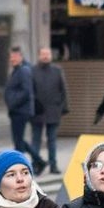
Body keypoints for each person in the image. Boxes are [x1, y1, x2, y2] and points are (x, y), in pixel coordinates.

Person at [31, 47, 69, 175]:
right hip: (37, 111)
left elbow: (63, 90)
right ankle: (36, 165)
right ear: (39, 56)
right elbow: (29, 92)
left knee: (52, 140)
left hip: (53, 111)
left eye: (47, 54)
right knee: (36, 140)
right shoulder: (32, 71)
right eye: (43, 54)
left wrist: (63, 108)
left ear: (51, 55)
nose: (46, 56)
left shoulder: (57, 71)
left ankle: (53, 165)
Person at [3, 47, 38, 171]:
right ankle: (38, 160)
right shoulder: (16, 70)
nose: (12, 59)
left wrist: (12, 102)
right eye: (11, 57)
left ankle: (21, 165)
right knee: (19, 139)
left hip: (20, 111)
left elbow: (26, 91)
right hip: (16, 110)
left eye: (15, 57)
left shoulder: (23, 71)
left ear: (21, 57)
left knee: (18, 141)